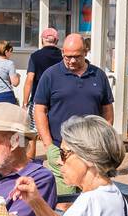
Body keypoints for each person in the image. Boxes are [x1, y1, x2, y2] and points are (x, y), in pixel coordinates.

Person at [34, 33, 113, 195]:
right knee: (65, 200)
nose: (71, 61)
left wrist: (104, 138)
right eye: (67, 56)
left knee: (92, 195)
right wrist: (49, 146)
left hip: (91, 151)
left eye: (76, 56)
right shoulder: (51, 75)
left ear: (85, 52)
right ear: (62, 52)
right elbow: (40, 110)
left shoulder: (98, 75)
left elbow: (107, 109)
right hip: (61, 150)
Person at [22, 28, 62, 157]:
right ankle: (59, 160)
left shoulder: (35, 56)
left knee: (32, 133)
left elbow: (30, 79)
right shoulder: (63, 56)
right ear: (57, 40)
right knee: (58, 132)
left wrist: (24, 101)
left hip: (38, 100)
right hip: (58, 100)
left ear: (42, 40)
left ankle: (31, 163)